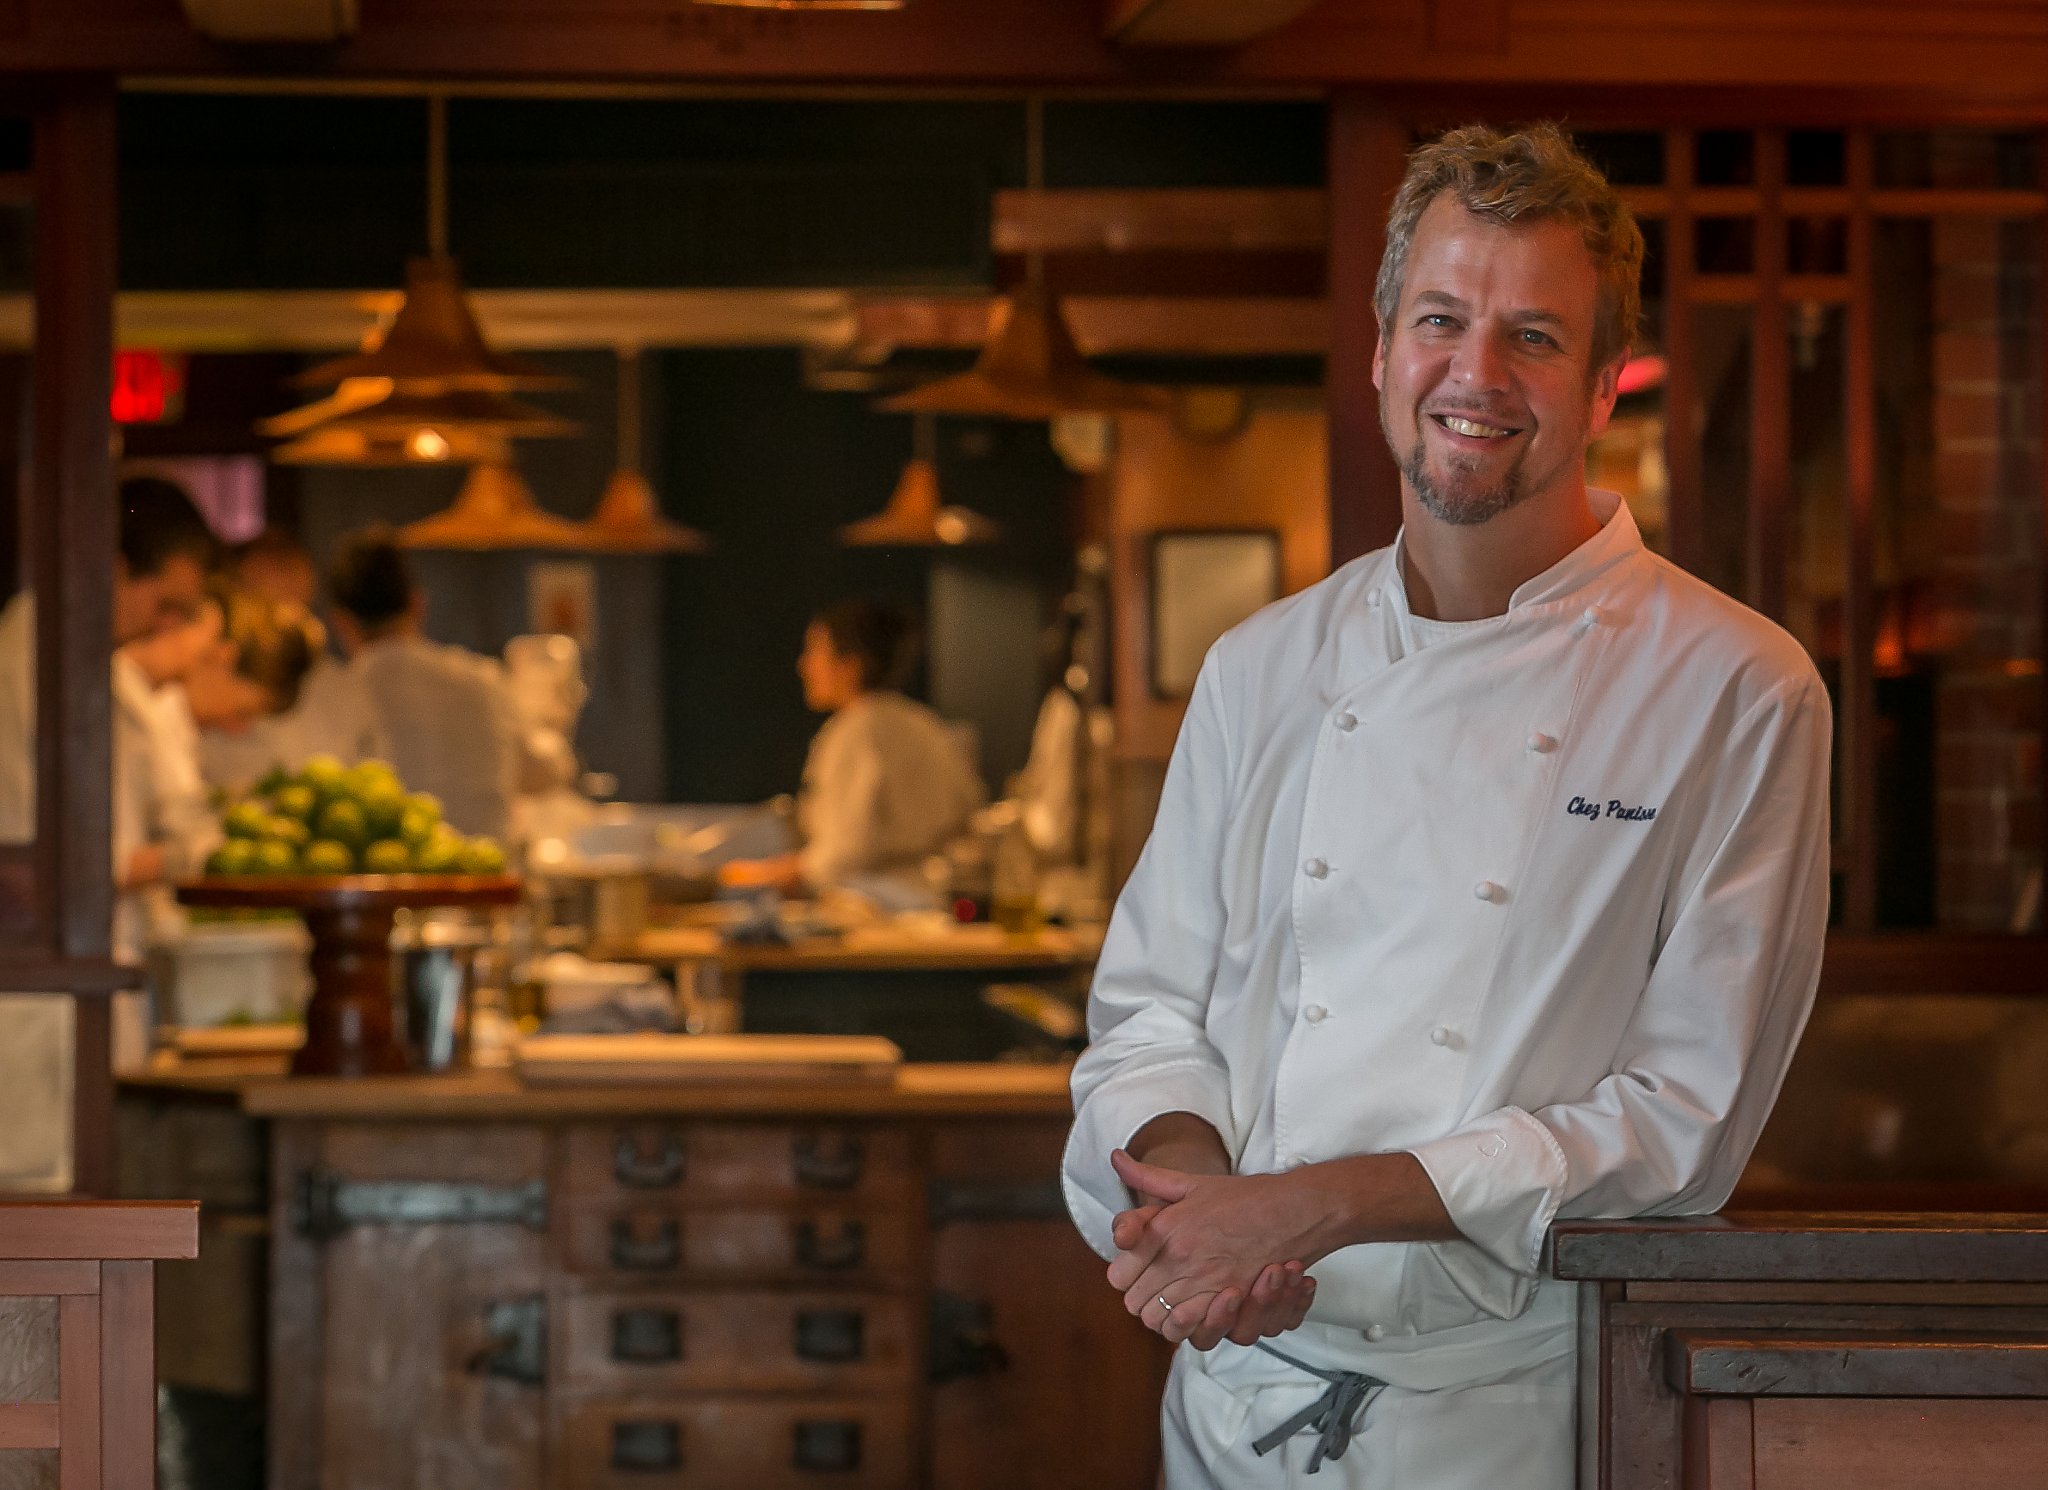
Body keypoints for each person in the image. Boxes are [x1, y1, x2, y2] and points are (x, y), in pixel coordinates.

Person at [1063, 124, 1831, 1490]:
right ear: (1379, 349)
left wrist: (1321, 1203)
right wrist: (1202, 1213)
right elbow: (1150, 1011)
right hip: (1229, 1408)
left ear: (1604, 386)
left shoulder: (1737, 690)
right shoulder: (1263, 666)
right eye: (1442, 319)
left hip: (1506, 1423)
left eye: (1534, 336)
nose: (1476, 374)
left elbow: (1679, 1123)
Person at [0, 475, 216, 1190]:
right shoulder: (36, 656)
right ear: (117, 568)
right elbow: (54, 860)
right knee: (43, 1243)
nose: (168, 626)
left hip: (77, 993)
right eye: (166, 604)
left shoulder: (94, 661)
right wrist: (178, 860)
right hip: (36, 999)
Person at [724, 600, 985, 902]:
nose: (803, 666)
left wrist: (765, 875)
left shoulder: (855, 732)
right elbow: (970, 814)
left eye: (814, 652)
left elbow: (846, 851)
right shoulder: (926, 724)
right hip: (936, 900)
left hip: (875, 907)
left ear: (850, 665)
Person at [325, 526, 522, 840]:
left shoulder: (335, 696)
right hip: (491, 877)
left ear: (341, 621)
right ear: (418, 604)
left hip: (390, 882)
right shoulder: (483, 680)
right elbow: (540, 771)